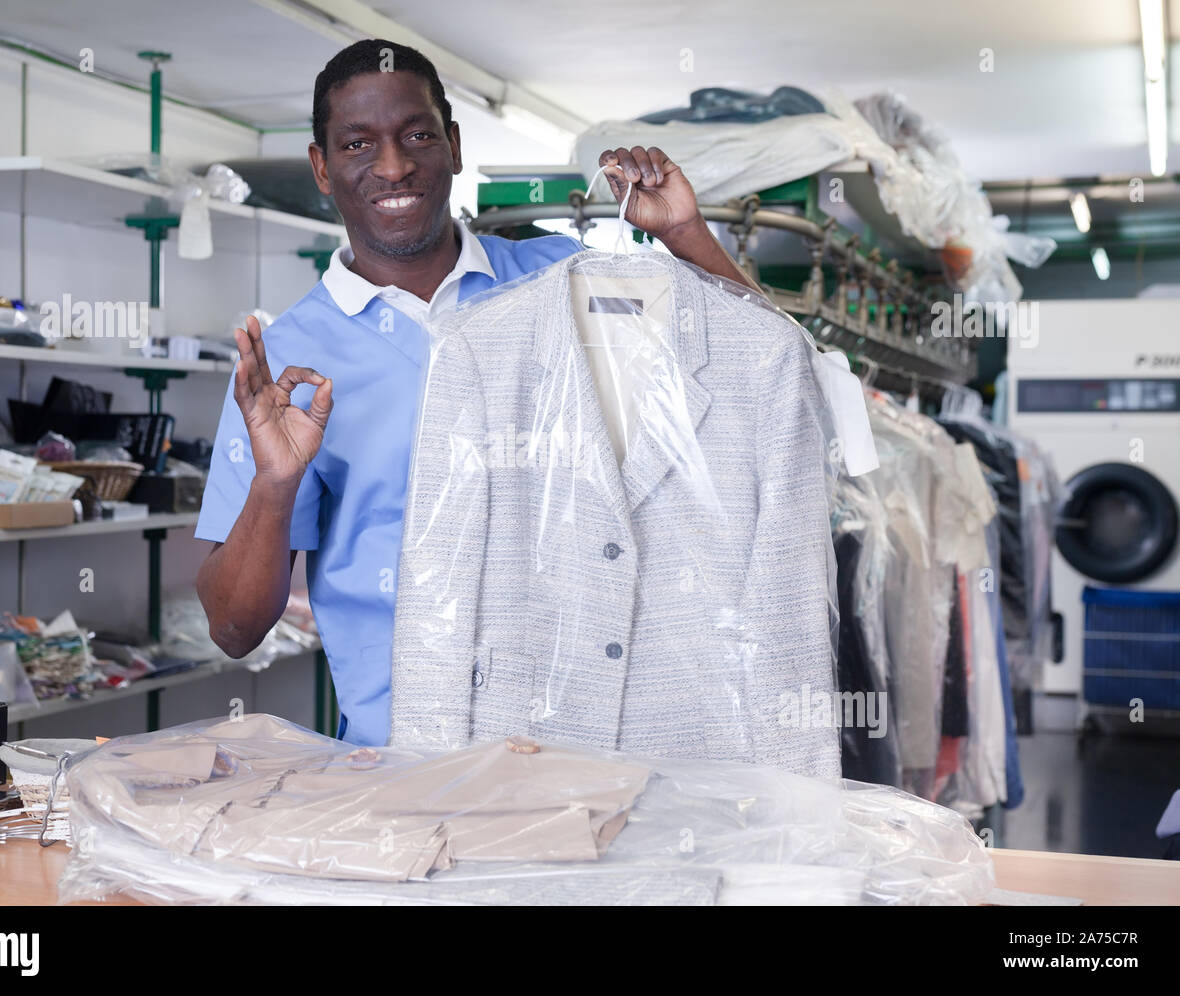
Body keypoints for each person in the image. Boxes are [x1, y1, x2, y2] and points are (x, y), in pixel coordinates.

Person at [196, 38, 761, 746]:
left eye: (417, 135)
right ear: (321, 166)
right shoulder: (288, 360)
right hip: (408, 760)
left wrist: (687, 235)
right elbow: (234, 628)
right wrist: (277, 485)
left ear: (454, 146)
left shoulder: (569, 280)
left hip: (595, 741)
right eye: (358, 144)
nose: (394, 166)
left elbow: (754, 372)